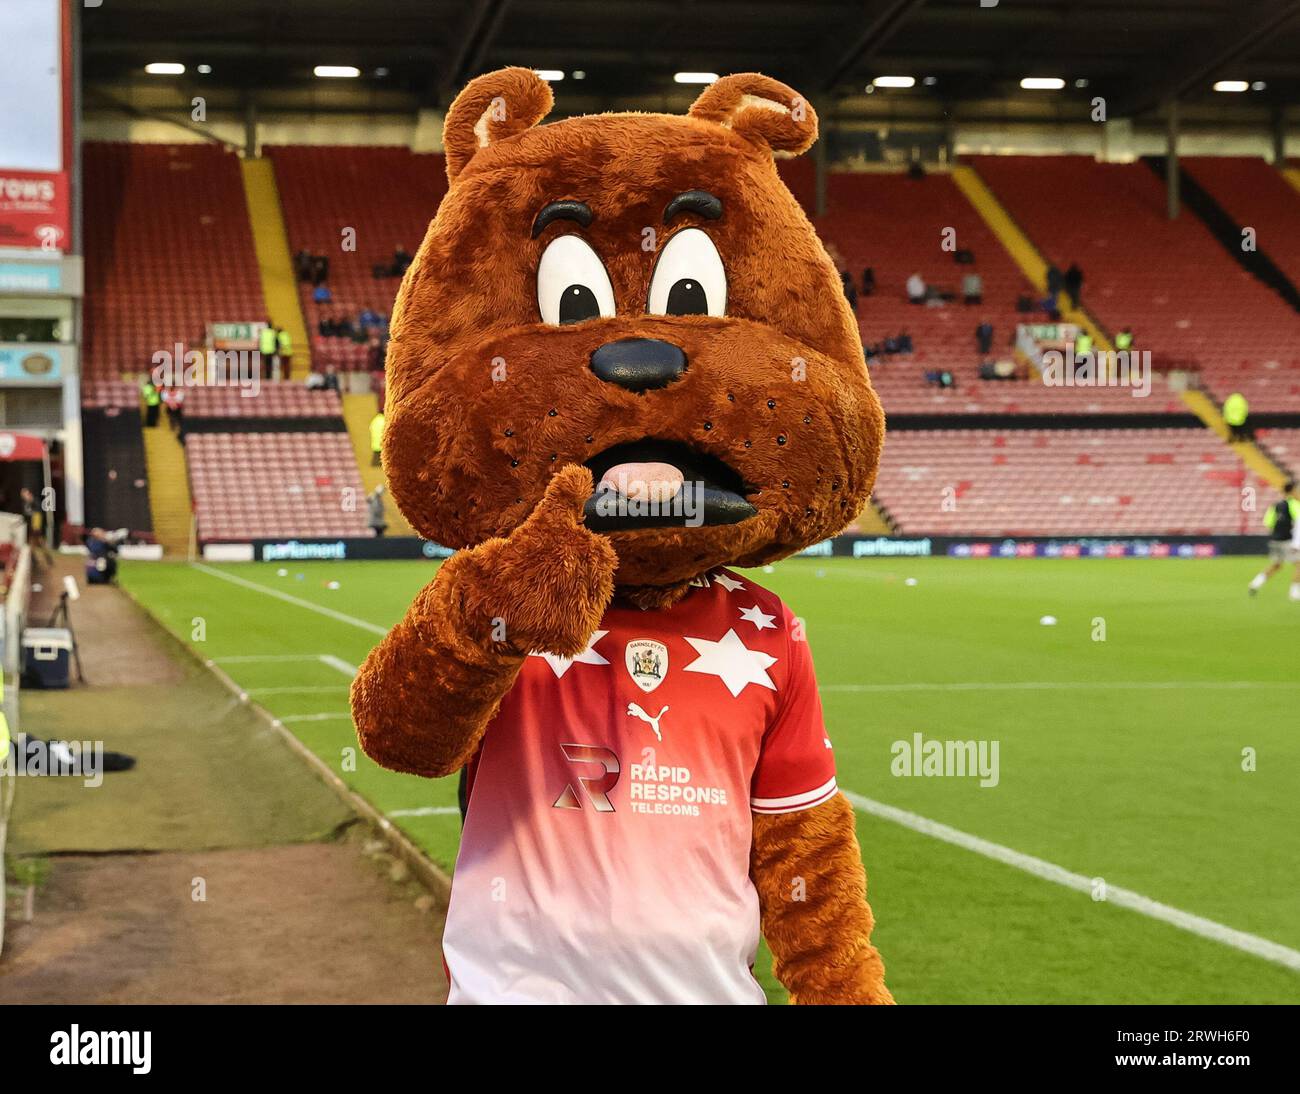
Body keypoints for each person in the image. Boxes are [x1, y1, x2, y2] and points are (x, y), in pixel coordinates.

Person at [1249, 481, 1300, 599]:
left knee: (1276, 565)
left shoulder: (1275, 505)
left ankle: (1255, 584)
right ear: (1292, 491)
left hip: (1275, 540)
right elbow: (1298, 524)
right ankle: (1295, 593)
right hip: (1288, 541)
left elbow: (1268, 523)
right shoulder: (1295, 505)